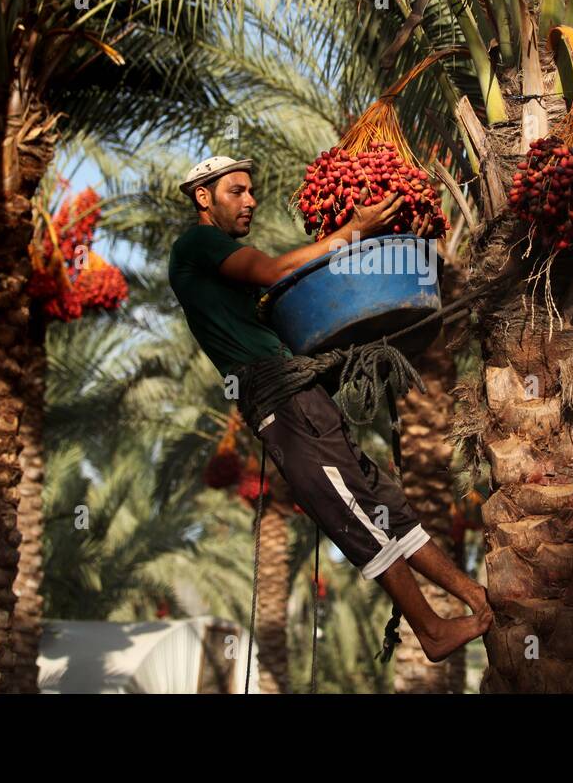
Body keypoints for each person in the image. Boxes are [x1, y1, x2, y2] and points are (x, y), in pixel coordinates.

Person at [168, 155, 491, 662]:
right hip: (286, 404)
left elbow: (304, 308)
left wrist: (394, 250)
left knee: (380, 506)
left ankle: (475, 597)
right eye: (237, 191)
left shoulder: (230, 275)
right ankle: (430, 630)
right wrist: (354, 229)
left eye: (251, 190)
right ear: (203, 198)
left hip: (301, 402)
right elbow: (278, 270)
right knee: (355, 514)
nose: (250, 200)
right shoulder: (198, 243)